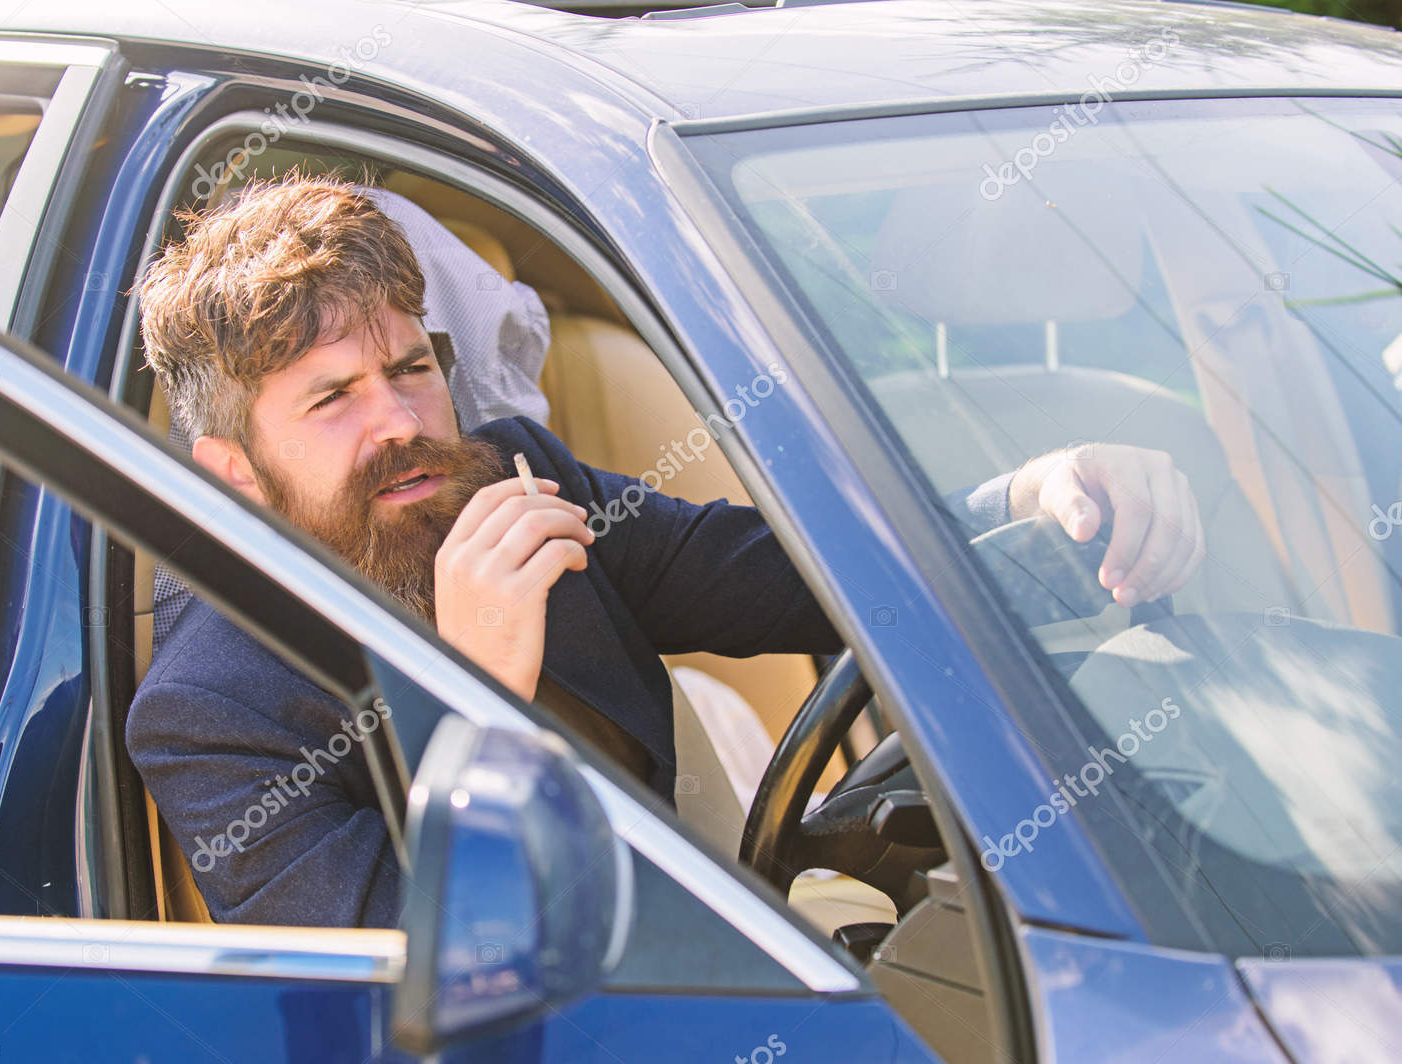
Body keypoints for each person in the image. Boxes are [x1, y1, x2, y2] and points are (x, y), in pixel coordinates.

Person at [126, 175, 1205, 928]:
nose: (401, 421)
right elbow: (422, 984)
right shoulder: (210, 715)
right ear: (234, 475)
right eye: (332, 399)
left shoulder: (511, 477)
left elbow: (805, 586)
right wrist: (476, 694)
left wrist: (1039, 501)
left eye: (412, 367)